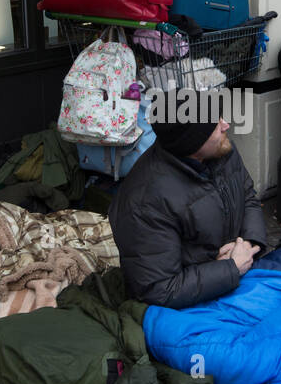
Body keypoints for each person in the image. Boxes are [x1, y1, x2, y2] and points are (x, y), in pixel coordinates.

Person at [108, 94, 268, 309]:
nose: (226, 124)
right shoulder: (145, 201)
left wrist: (247, 244)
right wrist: (230, 268)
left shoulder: (222, 151)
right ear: (193, 143)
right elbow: (158, 289)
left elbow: (247, 195)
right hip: (188, 303)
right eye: (216, 124)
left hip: (236, 268)